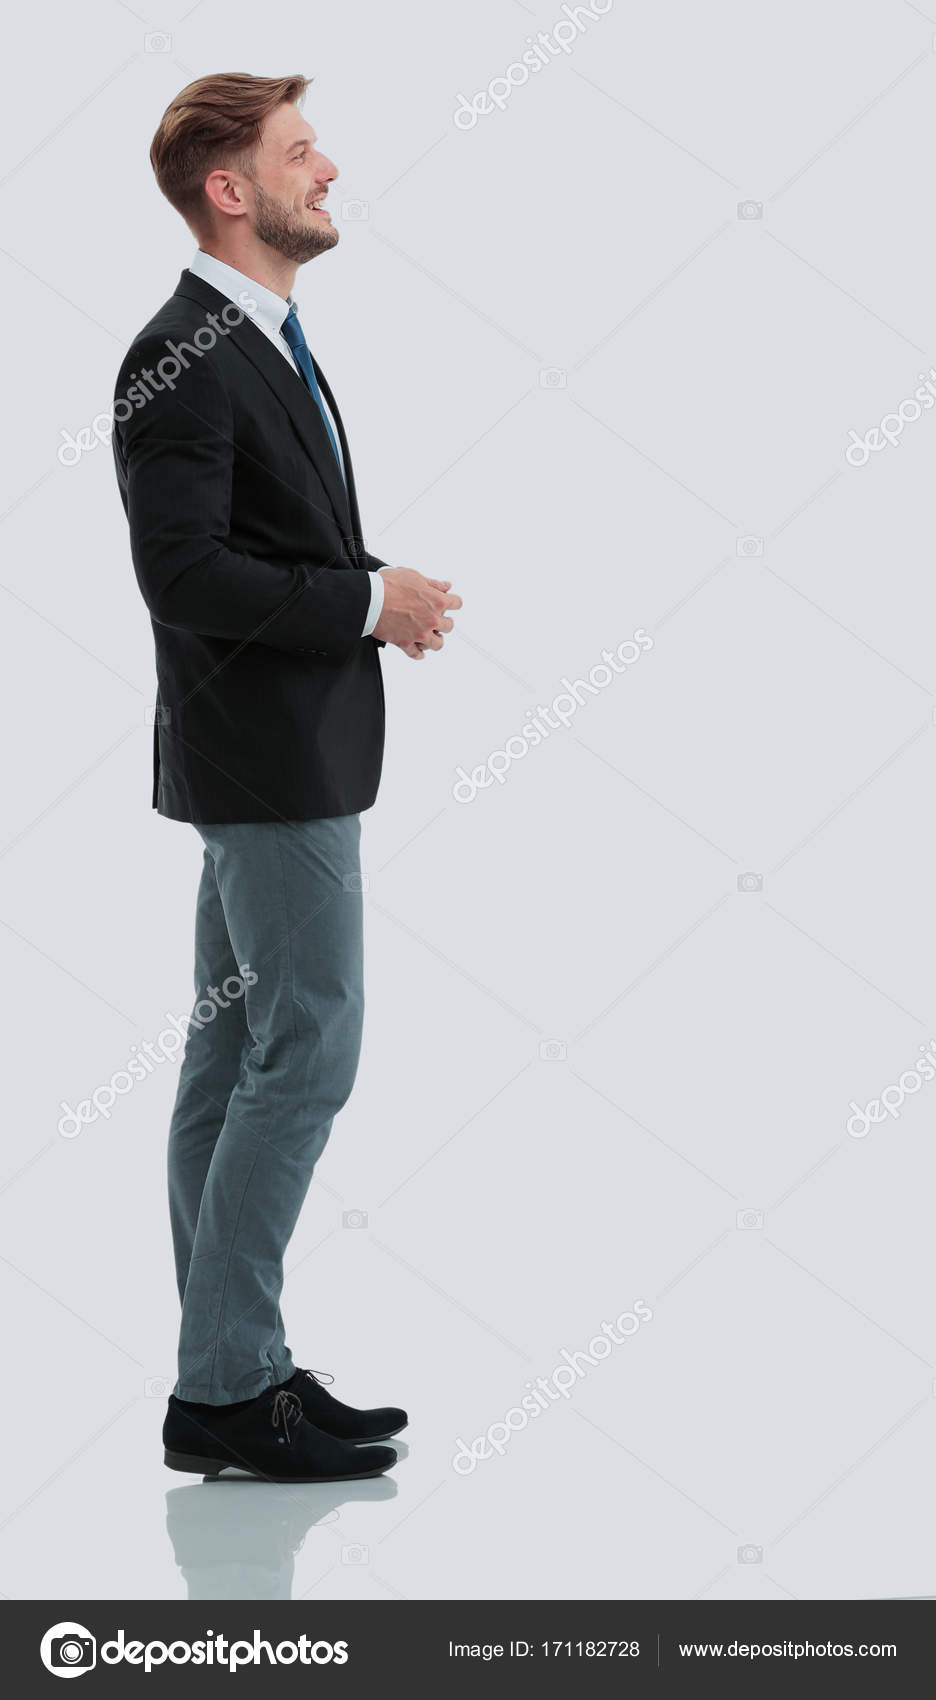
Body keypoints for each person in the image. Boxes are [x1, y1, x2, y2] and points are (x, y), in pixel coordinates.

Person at [112, 71, 461, 1483]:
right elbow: (183, 571)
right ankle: (231, 1385)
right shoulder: (183, 350)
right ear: (229, 190)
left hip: (264, 754)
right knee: (306, 1048)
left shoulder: (255, 335)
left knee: (232, 1051)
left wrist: (360, 592)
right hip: (269, 763)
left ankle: (227, 1369)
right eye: (300, 154)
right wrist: (371, 599)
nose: (330, 171)